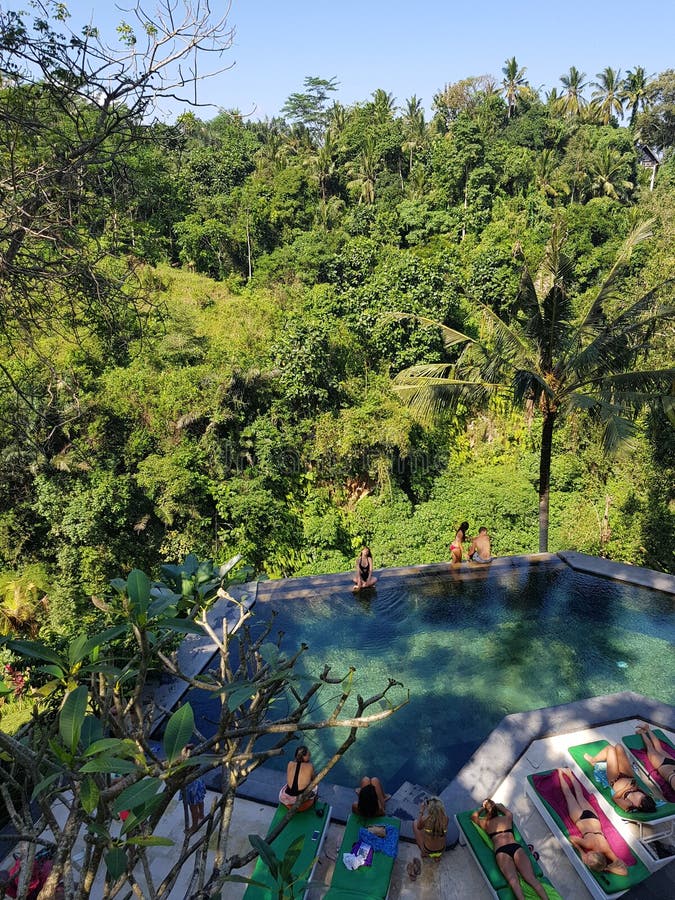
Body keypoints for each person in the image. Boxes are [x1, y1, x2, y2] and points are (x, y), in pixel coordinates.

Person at [556, 767, 628, 876]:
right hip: (579, 819)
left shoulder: (606, 849)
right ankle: (560, 774)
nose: (587, 858)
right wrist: (582, 852)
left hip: (593, 818)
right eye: (589, 859)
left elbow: (624, 871)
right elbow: (572, 839)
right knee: (568, 795)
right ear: (592, 853)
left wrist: (607, 867)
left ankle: (570, 774)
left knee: (579, 795)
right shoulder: (587, 844)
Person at [471, 799, 549, 900]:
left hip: (502, 852)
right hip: (515, 848)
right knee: (531, 878)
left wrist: (482, 807)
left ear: (486, 810)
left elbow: (473, 816)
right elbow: (507, 811)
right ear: (495, 807)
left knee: (514, 882)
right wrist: (498, 806)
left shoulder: (486, 823)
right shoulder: (506, 818)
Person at [582, 744, 656, 813]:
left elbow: (615, 798)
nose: (642, 796)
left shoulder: (629, 804)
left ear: (640, 806)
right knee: (619, 747)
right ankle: (601, 760)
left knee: (610, 749)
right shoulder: (646, 798)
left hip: (615, 779)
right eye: (643, 796)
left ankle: (593, 760)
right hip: (628, 775)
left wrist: (626, 788)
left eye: (641, 799)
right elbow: (639, 788)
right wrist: (635, 786)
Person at [635, 723, 675, 790]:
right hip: (663, 766)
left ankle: (647, 729)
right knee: (650, 748)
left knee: (659, 748)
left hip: (671, 765)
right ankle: (642, 733)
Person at [279, 745, 318, 811]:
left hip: (285, 798)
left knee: (289, 784)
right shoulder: (310, 766)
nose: (310, 756)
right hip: (301, 803)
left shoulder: (290, 763)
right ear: (303, 756)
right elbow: (314, 779)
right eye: (308, 754)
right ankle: (313, 801)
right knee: (315, 786)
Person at [413, 796, 449, 861]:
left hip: (427, 850)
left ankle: (424, 854)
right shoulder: (446, 818)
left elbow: (418, 827)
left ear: (429, 809)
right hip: (441, 849)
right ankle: (437, 857)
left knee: (415, 823)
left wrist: (421, 811)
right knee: (437, 832)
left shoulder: (425, 819)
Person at [181, 745, 206, 833]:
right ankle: (201, 814)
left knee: (193, 808)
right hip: (198, 782)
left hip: (191, 787)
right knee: (200, 800)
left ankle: (194, 826)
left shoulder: (187, 765)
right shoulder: (196, 761)